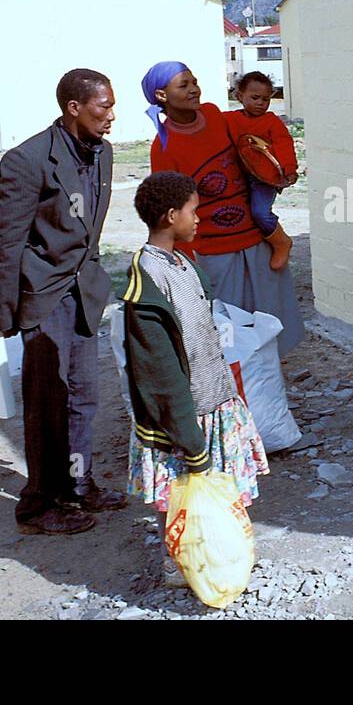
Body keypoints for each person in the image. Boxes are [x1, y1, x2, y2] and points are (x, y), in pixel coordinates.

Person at [0, 68, 126, 535]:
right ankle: (37, 504)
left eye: (111, 105)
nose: (111, 115)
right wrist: (7, 310)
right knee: (47, 401)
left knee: (84, 395)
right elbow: (6, 242)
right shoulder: (26, 160)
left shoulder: (101, 153)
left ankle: (76, 482)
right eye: (103, 106)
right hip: (44, 297)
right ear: (74, 108)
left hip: (83, 292)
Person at [121, 171, 269, 513]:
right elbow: (159, 371)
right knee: (184, 511)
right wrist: (190, 441)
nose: (199, 218)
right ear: (171, 217)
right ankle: (177, 567)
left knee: (215, 508)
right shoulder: (149, 279)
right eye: (193, 210)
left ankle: (219, 563)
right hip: (185, 422)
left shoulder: (183, 263)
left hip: (214, 404)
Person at [142, 61, 304, 357]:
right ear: (162, 96)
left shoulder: (216, 116)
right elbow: (169, 213)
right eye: (184, 85)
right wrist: (183, 263)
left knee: (267, 328)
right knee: (229, 338)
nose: (194, 89)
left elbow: (258, 137)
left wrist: (280, 169)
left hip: (255, 241)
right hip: (214, 253)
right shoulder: (164, 147)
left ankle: (266, 390)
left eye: (194, 82)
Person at [224, 71, 297, 270]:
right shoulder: (229, 119)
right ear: (240, 96)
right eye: (255, 98)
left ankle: (281, 241)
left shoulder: (271, 122)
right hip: (238, 176)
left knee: (260, 212)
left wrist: (289, 169)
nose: (260, 103)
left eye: (266, 99)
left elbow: (284, 145)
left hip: (265, 178)